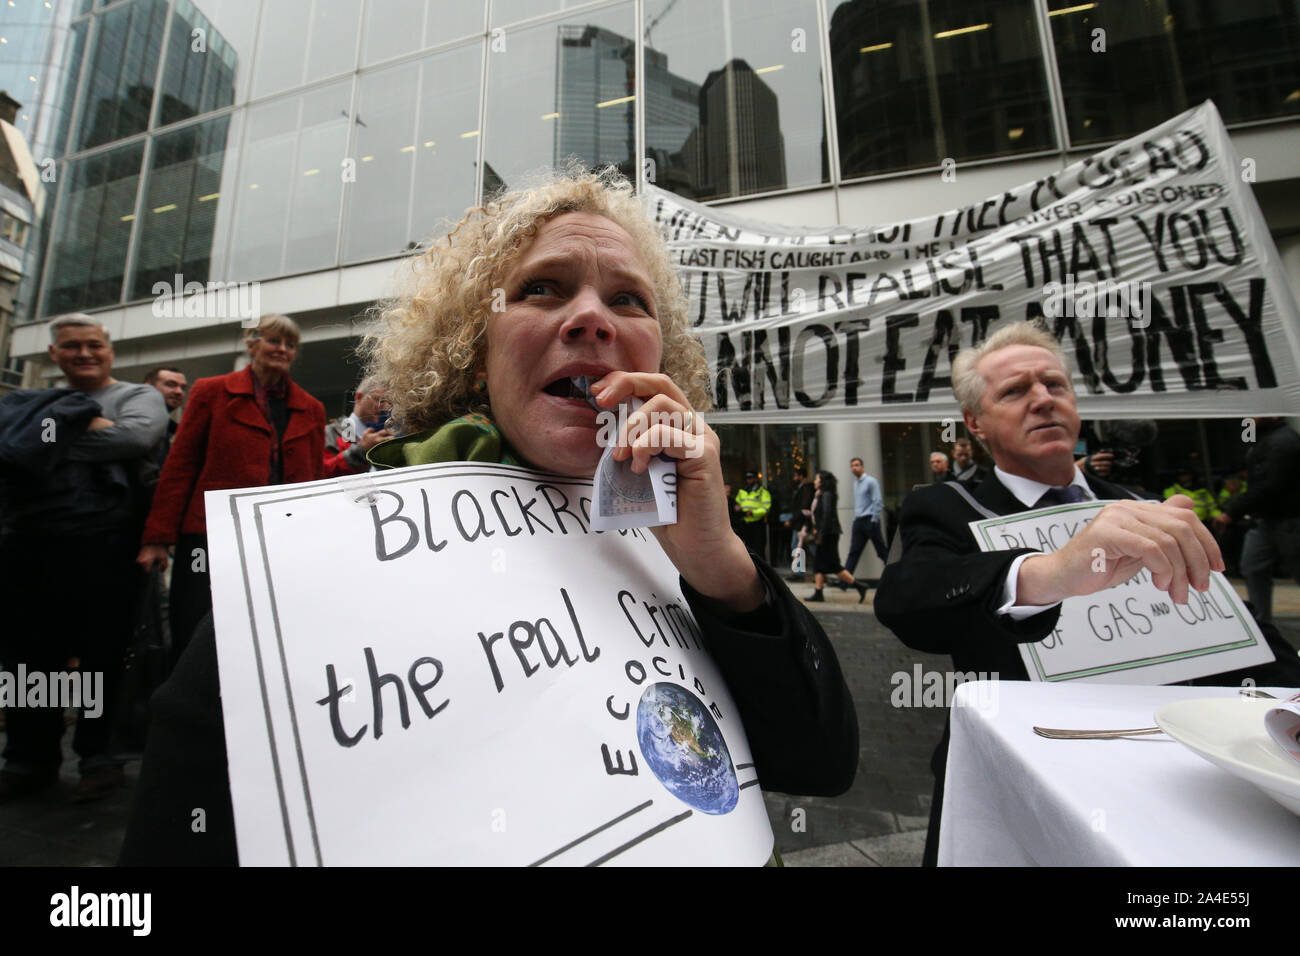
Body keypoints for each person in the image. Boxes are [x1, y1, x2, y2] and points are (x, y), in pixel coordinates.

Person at [120, 167, 858, 865]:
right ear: (477, 353)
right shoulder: (321, 559)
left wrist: (723, 571)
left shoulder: (687, 543)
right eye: (542, 288)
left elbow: (820, 764)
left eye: (629, 300)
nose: (592, 318)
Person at [873, 319, 1300, 867]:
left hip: (1184, 777)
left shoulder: (1141, 504)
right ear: (974, 423)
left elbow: (1239, 638)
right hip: (1030, 779)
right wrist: (1049, 573)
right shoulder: (945, 506)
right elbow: (908, 601)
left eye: (1055, 385)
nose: (1042, 400)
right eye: (1016, 391)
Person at [0, 315, 168, 801]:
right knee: (28, 660)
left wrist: (39, 445)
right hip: (28, 547)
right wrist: (86, 435)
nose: (84, 354)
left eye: (93, 345)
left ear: (109, 349)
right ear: (54, 354)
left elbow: (137, 438)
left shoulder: (138, 397)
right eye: (72, 346)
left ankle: (99, 757)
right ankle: (28, 759)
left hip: (107, 548)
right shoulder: (22, 402)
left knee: (104, 656)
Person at [136, 315, 326, 667]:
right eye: (273, 341)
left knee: (262, 630)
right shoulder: (212, 392)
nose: (282, 349)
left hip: (278, 539)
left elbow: (314, 479)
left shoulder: (311, 409)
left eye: (290, 344)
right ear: (251, 345)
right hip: (209, 537)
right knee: (195, 625)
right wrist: (157, 536)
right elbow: (181, 465)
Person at [1215, 420, 1300, 625]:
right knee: (1252, 566)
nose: (1247, 417)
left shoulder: (1283, 442)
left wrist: (1233, 511)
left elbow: (1270, 485)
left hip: (1288, 516)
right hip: (1265, 518)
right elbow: (1248, 451)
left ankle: (1262, 620)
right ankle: (1262, 622)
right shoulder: (1259, 436)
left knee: (1295, 565)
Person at [806, 470, 870, 604]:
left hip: (828, 534)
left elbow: (827, 516)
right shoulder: (821, 495)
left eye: (817, 479)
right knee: (818, 564)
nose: (815, 481)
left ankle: (859, 585)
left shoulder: (827, 495)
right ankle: (818, 593)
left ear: (822, 481)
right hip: (825, 533)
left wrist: (820, 535)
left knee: (833, 565)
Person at [323, 375, 393, 476]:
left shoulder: (387, 434)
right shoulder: (329, 432)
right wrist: (362, 450)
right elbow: (323, 473)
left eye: (389, 402)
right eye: (379, 400)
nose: (385, 407)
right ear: (358, 397)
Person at [843, 456, 887, 576]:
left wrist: (874, 519)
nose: (854, 468)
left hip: (870, 520)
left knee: (881, 551)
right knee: (854, 552)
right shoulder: (855, 483)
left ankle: (895, 573)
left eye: (857, 465)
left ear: (862, 467)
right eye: (852, 466)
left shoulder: (871, 481)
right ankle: (844, 582)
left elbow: (877, 501)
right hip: (858, 521)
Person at [784, 466, 815, 580]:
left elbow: (803, 507)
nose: (794, 478)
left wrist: (791, 520)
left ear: (801, 476)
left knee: (799, 547)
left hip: (802, 523)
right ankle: (802, 572)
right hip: (801, 523)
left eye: (796, 475)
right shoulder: (801, 488)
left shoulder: (806, 488)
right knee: (803, 547)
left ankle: (799, 573)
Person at [733, 469, 770, 560]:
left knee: (758, 549)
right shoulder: (743, 491)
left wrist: (753, 513)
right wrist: (737, 507)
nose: (749, 480)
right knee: (746, 549)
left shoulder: (762, 492)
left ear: (756, 479)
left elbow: (766, 507)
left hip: (757, 524)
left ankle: (760, 571)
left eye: (751, 478)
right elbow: (737, 502)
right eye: (747, 478)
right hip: (745, 524)